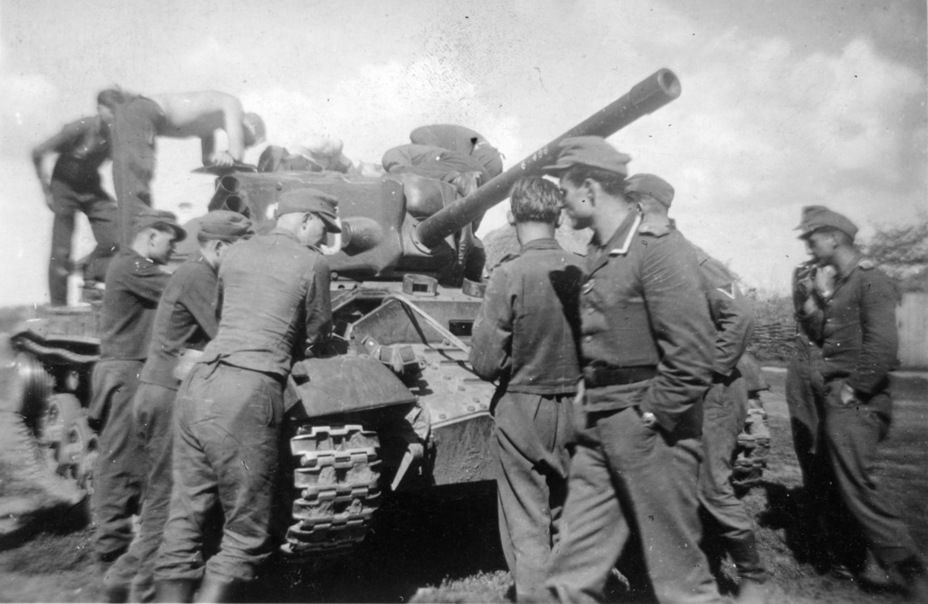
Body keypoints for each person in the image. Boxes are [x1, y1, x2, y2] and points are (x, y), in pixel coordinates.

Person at [538, 137, 722, 603]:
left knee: (679, 579)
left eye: (564, 189)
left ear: (590, 188)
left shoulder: (658, 249)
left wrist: (652, 415)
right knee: (571, 571)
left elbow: (692, 353)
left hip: (649, 431)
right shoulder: (603, 251)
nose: (560, 201)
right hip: (602, 425)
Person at [154, 189, 337, 603]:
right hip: (249, 389)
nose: (324, 238)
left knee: (185, 514)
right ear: (306, 220)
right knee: (246, 529)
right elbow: (318, 330)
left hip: (201, 382)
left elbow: (221, 315)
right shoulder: (312, 261)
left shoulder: (235, 253)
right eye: (323, 228)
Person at [627, 173, 768, 602]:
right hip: (672, 391)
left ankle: (754, 576)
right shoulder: (644, 255)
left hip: (714, 393)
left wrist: (707, 371)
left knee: (712, 487)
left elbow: (739, 314)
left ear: (638, 208)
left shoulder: (690, 258)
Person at [103, 211, 253, 603]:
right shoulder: (198, 277)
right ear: (219, 247)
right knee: (168, 497)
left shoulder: (199, 274)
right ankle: (143, 591)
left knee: (168, 495)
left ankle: (124, 582)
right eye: (241, 250)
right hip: (169, 393)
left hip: (168, 389)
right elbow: (226, 332)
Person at [796, 206, 928, 600]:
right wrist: (818, 296)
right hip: (836, 395)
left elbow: (884, 347)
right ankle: (852, 562)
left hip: (857, 400)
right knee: (834, 482)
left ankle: (912, 571)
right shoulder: (838, 284)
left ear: (835, 237)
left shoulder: (871, 281)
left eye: (812, 237)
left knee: (856, 487)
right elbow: (821, 335)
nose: (807, 244)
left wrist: (854, 389)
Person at [469, 176, 583, 601]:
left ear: (513, 216)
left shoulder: (509, 273)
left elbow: (485, 362)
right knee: (568, 515)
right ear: (558, 216)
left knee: (526, 522)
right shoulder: (584, 269)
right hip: (579, 406)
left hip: (523, 409)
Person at [89, 210, 185, 582]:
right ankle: (110, 552)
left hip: (135, 369)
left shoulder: (133, 265)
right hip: (128, 370)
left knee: (136, 459)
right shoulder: (133, 266)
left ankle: (130, 546)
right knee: (121, 461)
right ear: (150, 236)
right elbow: (179, 289)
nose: (175, 245)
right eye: (169, 239)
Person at [95, 88, 265, 245]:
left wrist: (220, 157)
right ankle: (134, 253)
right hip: (140, 114)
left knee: (131, 192)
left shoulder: (210, 123)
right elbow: (237, 155)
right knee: (134, 196)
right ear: (249, 125)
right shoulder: (232, 104)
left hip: (138, 115)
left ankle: (131, 248)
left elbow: (207, 159)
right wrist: (231, 154)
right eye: (246, 140)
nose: (243, 144)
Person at [31, 91, 121, 305]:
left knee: (118, 235)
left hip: (90, 186)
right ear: (100, 109)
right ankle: (58, 306)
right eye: (113, 115)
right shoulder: (78, 128)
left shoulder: (117, 136)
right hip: (64, 186)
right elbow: (37, 152)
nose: (117, 122)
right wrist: (46, 191)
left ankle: (89, 272)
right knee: (61, 251)